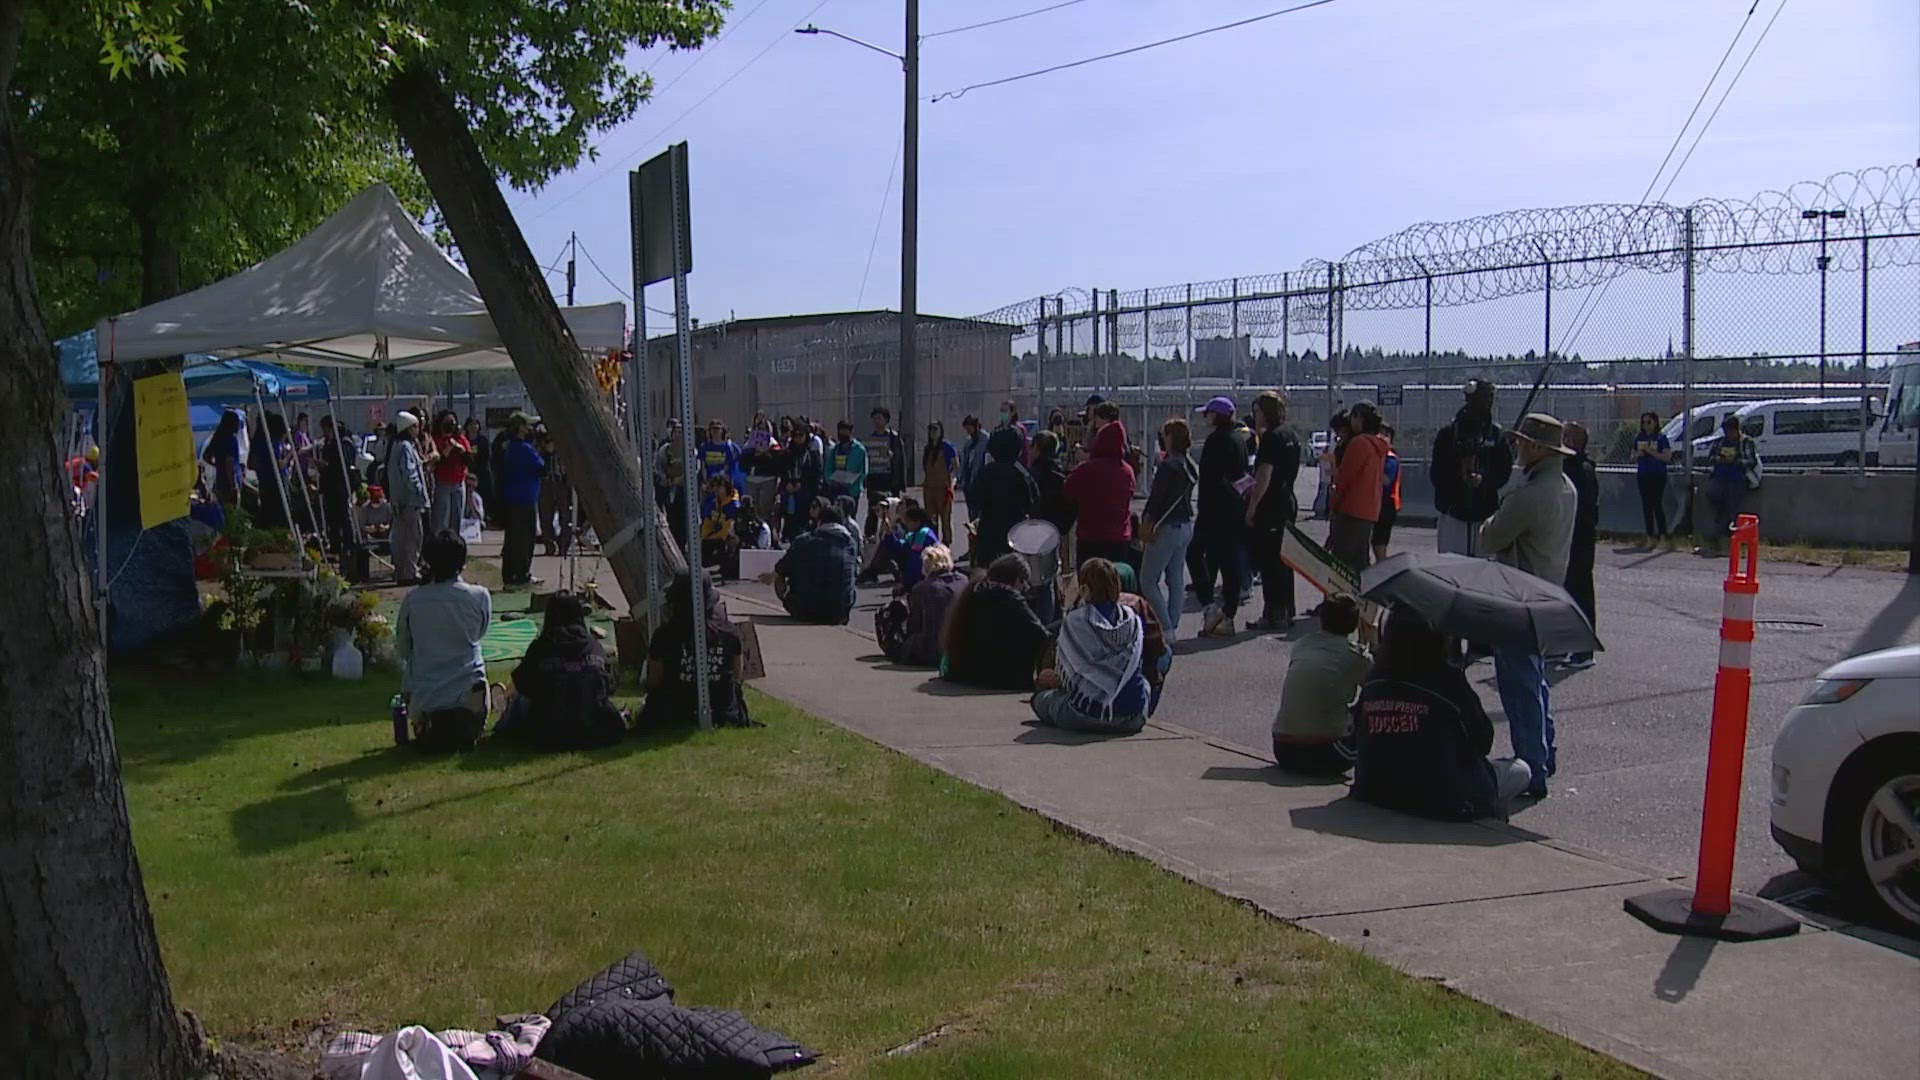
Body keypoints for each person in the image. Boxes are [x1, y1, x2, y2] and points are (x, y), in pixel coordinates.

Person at [1351, 606, 1535, 820]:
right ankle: (1492, 821)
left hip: (1374, 788)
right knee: (1522, 770)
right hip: (1441, 797)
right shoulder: (1447, 683)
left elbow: (1357, 734)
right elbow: (1482, 742)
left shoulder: (1374, 680)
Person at [1477, 412, 1576, 798]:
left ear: (1536, 448)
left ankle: (1531, 765)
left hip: (1518, 594)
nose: (1518, 449)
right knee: (1535, 679)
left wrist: (1502, 503)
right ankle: (1543, 750)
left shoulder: (1530, 494)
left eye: (1522, 443)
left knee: (1518, 683)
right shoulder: (1565, 487)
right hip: (1549, 590)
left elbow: (1491, 537)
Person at [394, 531, 492, 752]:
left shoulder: (413, 599)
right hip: (469, 699)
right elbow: (479, 633)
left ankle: (426, 724)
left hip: (426, 701)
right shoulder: (479, 596)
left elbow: (403, 647)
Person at [492, 592, 625, 751]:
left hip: (548, 734)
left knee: (521, 698)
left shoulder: (540, 648)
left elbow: (522, 683)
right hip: (595, 731)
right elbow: (610, 685)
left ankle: (503, 716)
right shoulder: (594, 647)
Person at [1031, 558, 1151, 734]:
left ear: (1084, 588)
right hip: (1132, 717)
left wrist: (1071, 604)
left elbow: (1067, 677)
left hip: (1085, 714)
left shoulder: (1076, 621)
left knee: (1041, 700)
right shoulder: (1132, 619)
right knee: (1142, 682)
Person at [1270, 593, 1371, 777]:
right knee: (1372, 700)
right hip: (1327, 753)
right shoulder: (1354, 655)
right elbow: (1376, 682)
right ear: (1354, 623)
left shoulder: (1302, 644)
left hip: (1283, 749)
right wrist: (1370, 642)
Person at [638, 572, 751, 729]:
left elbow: (654, 680)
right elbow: (737, 675)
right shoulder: (730, 632)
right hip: (722, 712)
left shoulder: (664, 635)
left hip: (674, 713)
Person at [1430, 379, 1514, 556]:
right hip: (1453, 514)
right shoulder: (1449, 434)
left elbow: (1503, 472)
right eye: (1483, 398)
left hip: (1484, 514)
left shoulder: (1496, 435)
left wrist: (1482, 479)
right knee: (1451, 568)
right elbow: (1436, 474)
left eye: (1490, 398)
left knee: (1482, 572)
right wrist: (1459, 476)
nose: (1487, 403)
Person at [941, 553, 1049, 691]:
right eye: (1024, 583)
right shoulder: (1011, 598)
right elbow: (1040, 634)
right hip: (1004, 676)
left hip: (968, 671)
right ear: (1017, 580)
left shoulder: (973, 592)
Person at [1244, 391, 1302, 630]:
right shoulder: (1291, 434)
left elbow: (1264, 476)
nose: (1254, 416)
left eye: (1257, 411)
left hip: (1271, 505)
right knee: (1284, 560)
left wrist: (1252, 508)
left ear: (1265, 413)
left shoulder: (1270, 438)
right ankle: (1286, 610)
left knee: (1269, 561)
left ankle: (1273, 613)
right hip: (1287, 500)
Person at [1194, 396, 1249, 637]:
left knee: (1194, 553)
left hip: (1213, 510)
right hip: (1234, 507)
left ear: (1216, 415)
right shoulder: (1239, 439)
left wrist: (1203, 511)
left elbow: (1207, 479)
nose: (1205, 417)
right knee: (1229, 562)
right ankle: (1228, 615)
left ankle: (1209, 604)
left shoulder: (1215, 440)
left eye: (1208, 413)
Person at [1139, 417, 1198, 639]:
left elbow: (1156, 500)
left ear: (1171, 437)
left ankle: (1165, 627)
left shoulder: (1167, 466)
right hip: (1185, 525)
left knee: (1148, 579)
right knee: (1175, 578)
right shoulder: (1189, 465)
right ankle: (1172, 624)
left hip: (1166, 526)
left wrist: (1146, 521)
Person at [1064, 411, 1137, 570]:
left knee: (1089, 585)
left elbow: (1068, 490)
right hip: (1120, 538)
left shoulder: (1087, 469)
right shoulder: (1127, 471)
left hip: (1091, 537)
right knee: (1115, 584)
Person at [877, 543, 967, 666]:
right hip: (960, 648)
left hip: (933, 650)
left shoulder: (922, 588)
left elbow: (914, 625)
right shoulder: (963, 581)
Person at [770, 503, 859, 625]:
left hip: (805, 611)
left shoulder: (803, 540)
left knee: (780, 577)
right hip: (838, 614)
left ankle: (794, 602)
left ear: (819, 522)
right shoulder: (850, 544)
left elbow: (782, 568)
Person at [1328, 401, 1388, 572]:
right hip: (1369, 510)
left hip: (1351, 509)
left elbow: (1344, 478)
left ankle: (1337, 597)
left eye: (1353, 418)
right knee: (1360, 561)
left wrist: (1334, 505)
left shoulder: (1359, 443)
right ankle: (1363, 596)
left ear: (1360, 419)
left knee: (1340, 563)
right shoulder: (1379, 444)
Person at [967, 426, 1038, 567]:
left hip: (989, 531)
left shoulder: (986, 471)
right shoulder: (1021, 473)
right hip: (1015, 533)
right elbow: (1034, 502)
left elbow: (973, 499)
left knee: (988, 573)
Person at [1560, 421, 1599, 670]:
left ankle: (1584, 650)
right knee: (1564, 591)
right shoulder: (1568, 468)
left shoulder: (1580, 470)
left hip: (1579, 538)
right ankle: (1562, 644)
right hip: (1568, 537)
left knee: (1579, 590)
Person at [1699, 413, 1761, 557]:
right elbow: (1711, 458)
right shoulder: (1720, 442)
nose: (1729, 434)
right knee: (1713, 495)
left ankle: (1728, 539)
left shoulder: (1746, 442)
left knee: (1732, 505)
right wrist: (1720, 459)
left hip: (1738, 479)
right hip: (1720, 478)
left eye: (1731, 431)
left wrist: (1736, 461)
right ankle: (1721, 536)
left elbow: (1752, 461)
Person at [498, 413, 545, 587]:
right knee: (524, 539)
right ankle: (521, 575)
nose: (530, 429)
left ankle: (510, 576)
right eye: (527, 426)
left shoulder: (509, 447)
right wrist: (544, 451)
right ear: (520, 428)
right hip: (524, 499)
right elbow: (541, 467)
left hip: (512, 498)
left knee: (512, 539)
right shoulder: (524, 449)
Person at [385, 411, 429, 584]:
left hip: (399, 501)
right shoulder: (405, 447)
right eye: (415, 426)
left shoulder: (395, 445)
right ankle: (410, 571)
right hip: (410, 501)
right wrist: (419, 492)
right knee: (413, 537)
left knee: (400, 538)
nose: (418, 430)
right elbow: (409, 473)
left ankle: (401, 571)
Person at [861, 500, 938, 590]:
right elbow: (900, 547)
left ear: (916, 522)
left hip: (924, 577)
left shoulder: (924, 534)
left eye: (909, 521)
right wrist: (889, 533)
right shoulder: (913, 535)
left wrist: (906, 582)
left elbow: (915, 561)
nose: (907, 523)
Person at [862, 407, 907, 538]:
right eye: (874, 419)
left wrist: (899, 482)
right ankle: (870, 536)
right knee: (873, 511)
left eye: (879, 418)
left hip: (890, 480)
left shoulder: (893, 438)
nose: (876, 421)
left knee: (892, 510)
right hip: (875, 480)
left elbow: (900, 461)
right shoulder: (871, 439)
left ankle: (894, 536)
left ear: (886, 420)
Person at [1632, 411, 1674, 546]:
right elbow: (1631, 457)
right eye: (1643, 422)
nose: (1646, 425)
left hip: (1657, 474)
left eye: (1649, 422)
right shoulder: (1639, 437)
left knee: (1656, 503)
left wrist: (1652, 452)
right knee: (1646, 505)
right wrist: (1638, 454)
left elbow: (1667, 457)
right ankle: (1649, 535)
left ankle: (1663, 535)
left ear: (1655, 423)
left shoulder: (1661, 438)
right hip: (1643, 474)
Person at [429, 410, 472, 537]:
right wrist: (448, 448)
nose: (451, 425)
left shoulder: (460, 438)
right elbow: (438, 461)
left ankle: (454, 545)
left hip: (459, 483)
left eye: (453, 422)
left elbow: (469, 460)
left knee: (457, 518)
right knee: (442, 518)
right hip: (443, 482)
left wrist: (461, 449)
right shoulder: (436, 439)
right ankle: (440, 545)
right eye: (447, 422)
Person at [317, 416, 356, 553]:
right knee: (332, 518)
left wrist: (326, 465)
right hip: (329, 485)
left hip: (340, 484)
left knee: (343, 515)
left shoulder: (343, 443)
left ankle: (348, 544)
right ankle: (335, 544)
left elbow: (343, 465)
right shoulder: (329, 443)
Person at [250, 412, 294, 528]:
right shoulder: (273, 443)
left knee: (267, 512)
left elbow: (252, 463)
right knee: (280, 513)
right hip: (276, 482)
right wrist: (290, 454)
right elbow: (279, 465)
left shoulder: (257, 442)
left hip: (264, 481)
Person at [534, 425, 573, 557]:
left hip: (561, 480)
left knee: (565, 515)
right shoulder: (539, 435)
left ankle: (564, 546)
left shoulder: (563, 439)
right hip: (545, 482)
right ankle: (549, 545)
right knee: (546, 515)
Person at [921, 421, 958, 546]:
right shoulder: (928, 448)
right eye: (931, 430)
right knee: (930, 516)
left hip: (944, 487)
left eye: (936, 429)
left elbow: (955, 465)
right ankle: (933, 539)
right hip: (929, 487)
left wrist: (951, 481)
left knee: (945, 516)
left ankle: (946, 541)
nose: (933, 432)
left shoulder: (947, 446)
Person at [700, 474, 744, 579]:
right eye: (714, 487)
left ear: (726, 487)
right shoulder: (713, 503)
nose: (716, 490)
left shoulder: (733, 505)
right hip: (714, 536)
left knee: (728, 543)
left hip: (729, 538)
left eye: (719, 487)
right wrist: (704, 538)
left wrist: (711, 538)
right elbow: (707, 522)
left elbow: (727, 531)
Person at [824, 419, 869, 517]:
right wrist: (830, 480)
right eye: (841, 431)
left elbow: (863, 471)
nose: (842, 433)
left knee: (851, 517)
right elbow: (828, 468)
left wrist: (852, 481)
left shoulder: (859, 449)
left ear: (851, 432)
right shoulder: (835, 449)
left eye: (845, 431)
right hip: (836, 489)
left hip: (852, 490)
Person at [1372, 424, 1401, 566]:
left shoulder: (1390, 459)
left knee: (1379, 546)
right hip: (1377, 505)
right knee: (1375, 543)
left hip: (1387, 507)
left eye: (1385, 434)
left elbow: (1386, 480)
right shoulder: (1380, 457)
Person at [203, 409, 244, 509]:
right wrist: (232, 484)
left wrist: (217, 464)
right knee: (232, 510)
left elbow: (206, 456)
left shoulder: (217, 438)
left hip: (219, 480)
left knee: (222, 507)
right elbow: (229, 461)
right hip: (229, 481)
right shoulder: (231, 440)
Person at [957, 414, 990, 525]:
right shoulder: (969, 442)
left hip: (981, 481)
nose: (968, 431)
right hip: (969, 483)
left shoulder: (986, 440)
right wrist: (959, 478)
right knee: (971, 513)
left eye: (969, 428)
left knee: (981, 513)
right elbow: (964, 461)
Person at [464, 416, 492, 523]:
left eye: (475, 424)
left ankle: (483, 516)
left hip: (482, 472)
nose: (473, 427)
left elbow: (487, 456)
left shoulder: (482, 440)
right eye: (471, 424)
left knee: (483, 494)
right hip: (468, 472)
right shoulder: (464, 439)